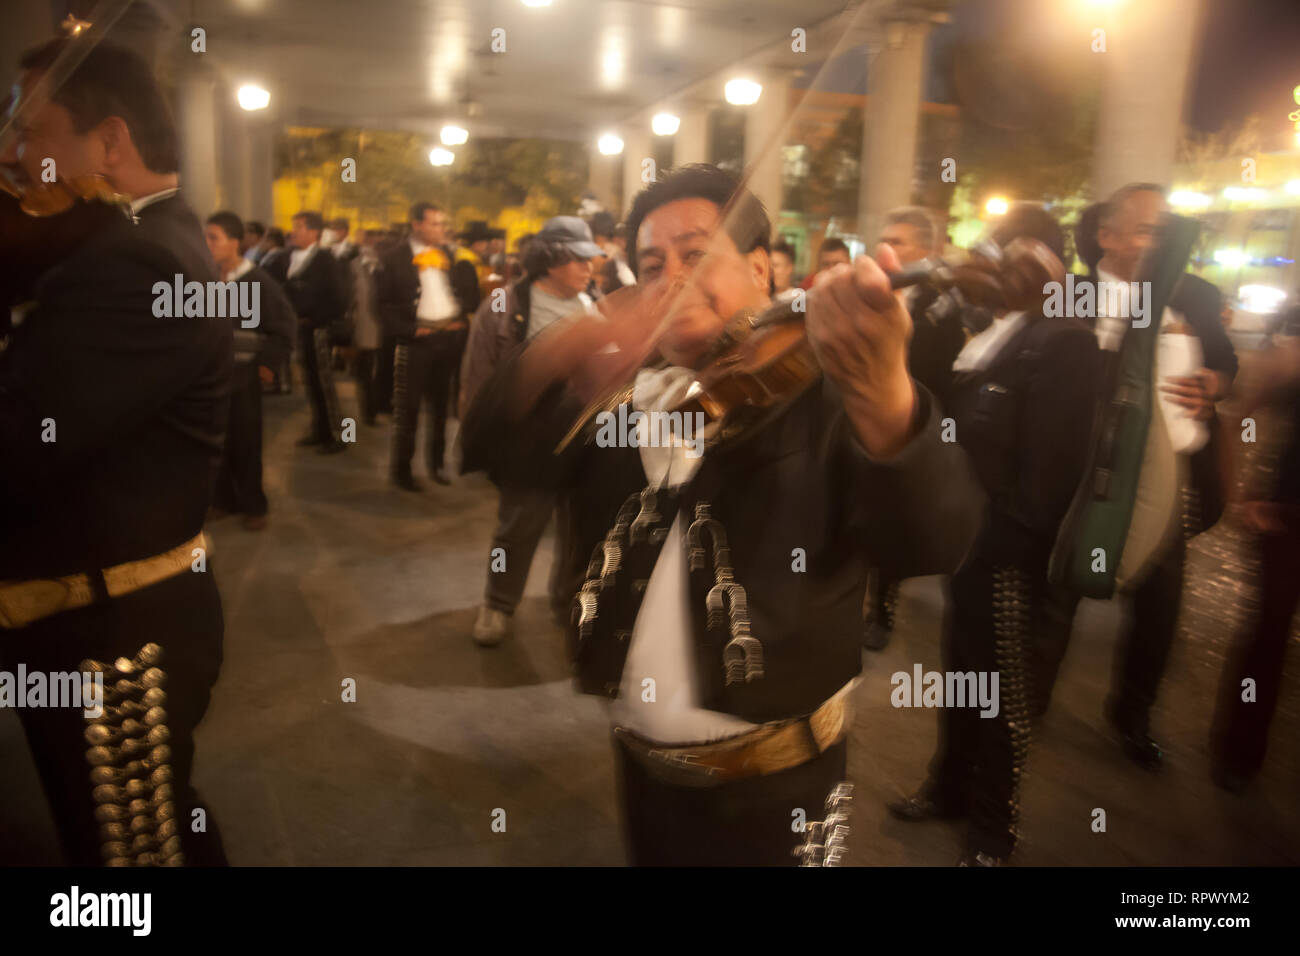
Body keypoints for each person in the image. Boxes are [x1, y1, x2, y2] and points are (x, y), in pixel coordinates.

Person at [460, 164, 983, 865]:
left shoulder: (830, 392)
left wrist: (885, 395)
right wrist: (568, 348)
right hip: (640, 766)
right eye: (651, 265)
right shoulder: (624, 397)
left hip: (780, 787)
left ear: (765, 268)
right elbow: (495, 451)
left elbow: (932, 541)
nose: (671, 277)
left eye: (696, 253)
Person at [0, 36, 230, 866]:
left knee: (133, 859)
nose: (15, 156)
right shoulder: (126, 245)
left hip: (111, 638)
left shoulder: (135, 263)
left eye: (31, 132)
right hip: (90, 613)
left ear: (109, 144)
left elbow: (14, 446)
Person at [888, 204, 1101, 866]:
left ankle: (992, 829)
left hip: (1008, 547)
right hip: (969, 539)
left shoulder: (1064, 340)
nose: (998, 266)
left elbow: (1052, 468)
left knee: (1005, 690)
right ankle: (946, 789)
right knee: (959, 673)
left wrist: (1009, 537)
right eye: (996, 254)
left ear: (1046, 264)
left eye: (1014, 256)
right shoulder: (987, 329)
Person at [1036, 184, 1238, 767]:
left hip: (1167, 481)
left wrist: (1211, 386)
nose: (1160, 242)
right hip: (1082, 474)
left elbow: (1226, 362)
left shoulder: (1193, 294)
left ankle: (1133, 715)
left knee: (1159, 606)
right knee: (1060, 595)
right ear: (1109, 236)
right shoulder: (1068, 295)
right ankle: (1033, 701)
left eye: (1164, 231)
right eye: (1149, 230)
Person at [460, 216, 603, 647]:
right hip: (529, 441)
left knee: (580, 530)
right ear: (551, 259)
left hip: (585, 437)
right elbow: (478, 376)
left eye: (590, 260)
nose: (588, 268)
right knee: (518, 528)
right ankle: (497, 604)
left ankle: (568, 606)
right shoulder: (505, 304)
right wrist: (482, 436)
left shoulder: (595, 305)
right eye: (579, 259)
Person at [863, 207, 968, 651]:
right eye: (884, 240)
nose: (888, 250)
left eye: (899, 242)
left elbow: (939, 375)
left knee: (893, 517)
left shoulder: (943, 308)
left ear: (926, 249)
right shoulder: (878, 292)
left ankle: (882, 611)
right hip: (870, 414)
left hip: (916, 421)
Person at [1209, 317, 1300, 790]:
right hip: (1287, 521)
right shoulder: (1294, 349)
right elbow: (1242, 416)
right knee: (1268, 634)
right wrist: (1240, 495)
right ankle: (1238, 751)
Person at [204, 211, 295, 529]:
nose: (207, 244)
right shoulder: (208, 279)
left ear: (234, 242)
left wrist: (266, 366)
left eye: (213, 237)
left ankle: (255, 506)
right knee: (218, 442)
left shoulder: (258, 282)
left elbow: (285, 328)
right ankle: (224, 500)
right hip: (213, 377)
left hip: (243, 377)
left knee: (246, 441)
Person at [380, 202, 462, 489]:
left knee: (441, 407)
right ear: (416, 225)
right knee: (408, 409)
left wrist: (458, 318)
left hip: (445, 339)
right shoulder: (393, 258)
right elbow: (382, 306)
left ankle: (437, 464)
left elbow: (457, 292)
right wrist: (412, 330)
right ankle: (401, 470)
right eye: (434, 223)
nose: (441, 228)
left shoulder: (448, 254)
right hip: (415, 342)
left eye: (442, 223)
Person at [267, 210, 348, 454]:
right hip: (298, 328)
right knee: (310, 381)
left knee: (324, 382)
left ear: (314, 232)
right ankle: (319, 428)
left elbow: (339, 298)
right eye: (293, 227)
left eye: (300, 227)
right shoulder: (287, 257)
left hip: (318, 329)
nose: (294, 232)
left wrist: (314, 317)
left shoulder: (326, 260)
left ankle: (337, 433)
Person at [350, 229, 386, 426]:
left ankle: (379, 406)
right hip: (364, 328)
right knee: (365, 371)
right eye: (369, 241)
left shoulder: (388, 267)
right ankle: (369, 411)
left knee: (381, 371)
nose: (372, 245)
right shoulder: (353, 267)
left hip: (387, 330)